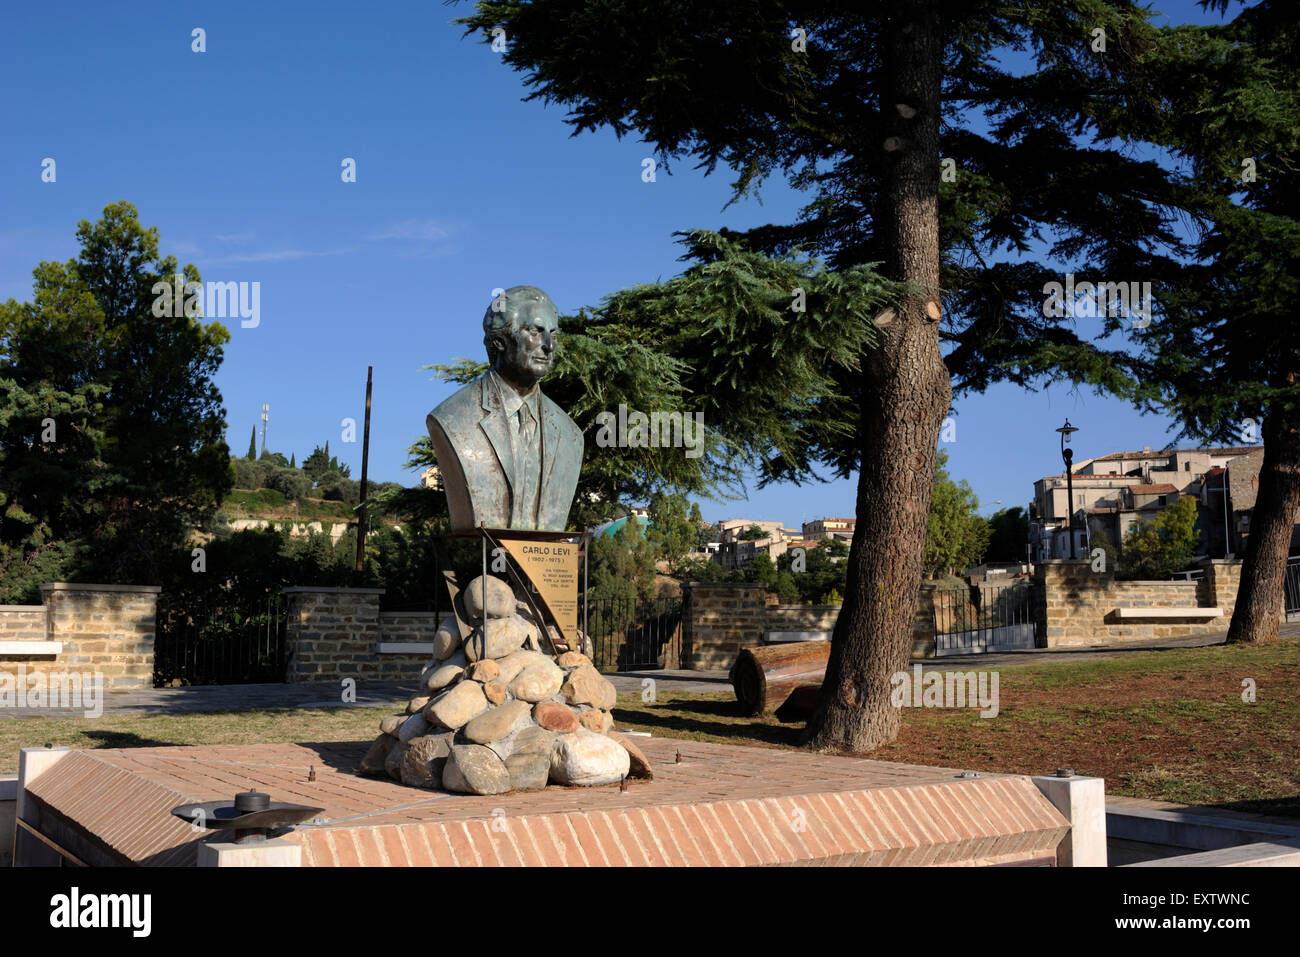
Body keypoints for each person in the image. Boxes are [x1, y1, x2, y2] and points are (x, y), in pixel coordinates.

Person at [426, 286, 583, 531]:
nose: (549, 346)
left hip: (546, 565)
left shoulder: (570, 434)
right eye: (535, 331)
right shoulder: (453, 417)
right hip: (480, 561)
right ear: (499, 341)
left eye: (553, 334)